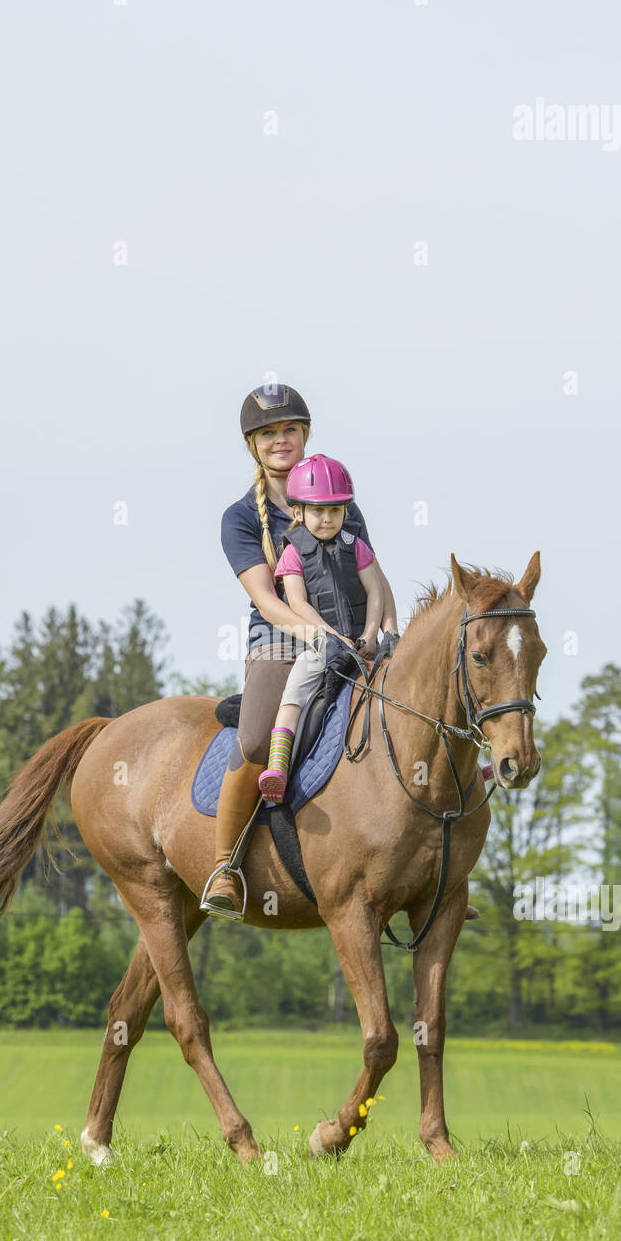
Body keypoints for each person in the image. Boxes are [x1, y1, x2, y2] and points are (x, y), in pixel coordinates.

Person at [201, 383, 399, 918]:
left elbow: (374, 576)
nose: (281, 441)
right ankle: (225, 866)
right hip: (281, 640)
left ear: (305, 434)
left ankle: (433, 868)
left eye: (290, 430)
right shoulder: (241, 518)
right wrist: (316, 636)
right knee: (256, 736)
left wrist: (383, 629)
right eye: (268, 434)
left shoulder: (339, 502)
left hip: (357, 636)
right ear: (253, 446)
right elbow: (267, 600)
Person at [258, 454, 383, 803]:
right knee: (294, 693)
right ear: (298, 512)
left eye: (336, 511)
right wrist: (331, 636)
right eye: (318, 511)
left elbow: (375, 590)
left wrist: (372, 633)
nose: (328, 519)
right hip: (321, 646)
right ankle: (278, 767)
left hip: (363, 643)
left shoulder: (355, 545)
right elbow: (297, 604)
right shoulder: (293, 554)